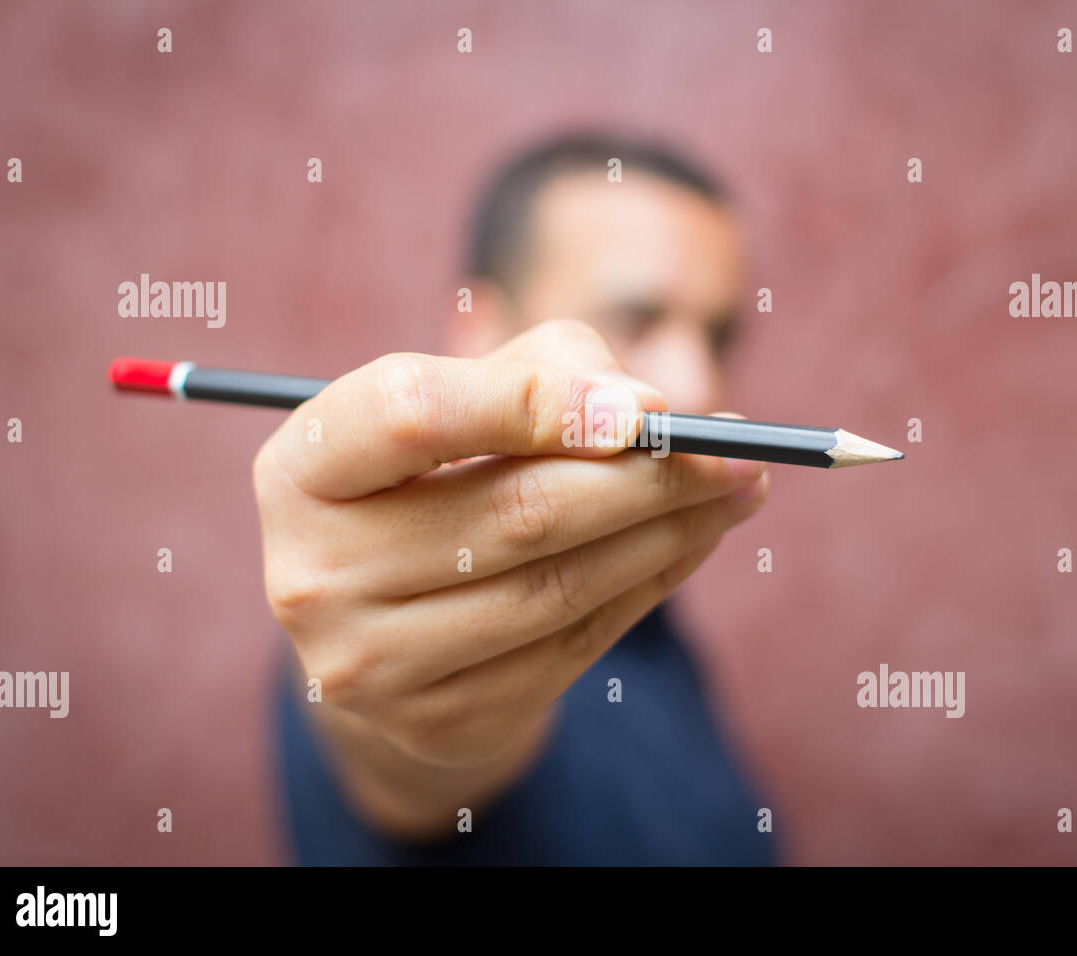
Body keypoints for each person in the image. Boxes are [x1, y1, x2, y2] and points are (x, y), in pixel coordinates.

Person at [262, 134, 775, 864]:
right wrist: (409, 721)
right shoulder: (395, 607)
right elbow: (408, 747)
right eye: (637, 319)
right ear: (481, 335)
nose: (699, 386)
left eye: (718, 337)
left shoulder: (657, 619)